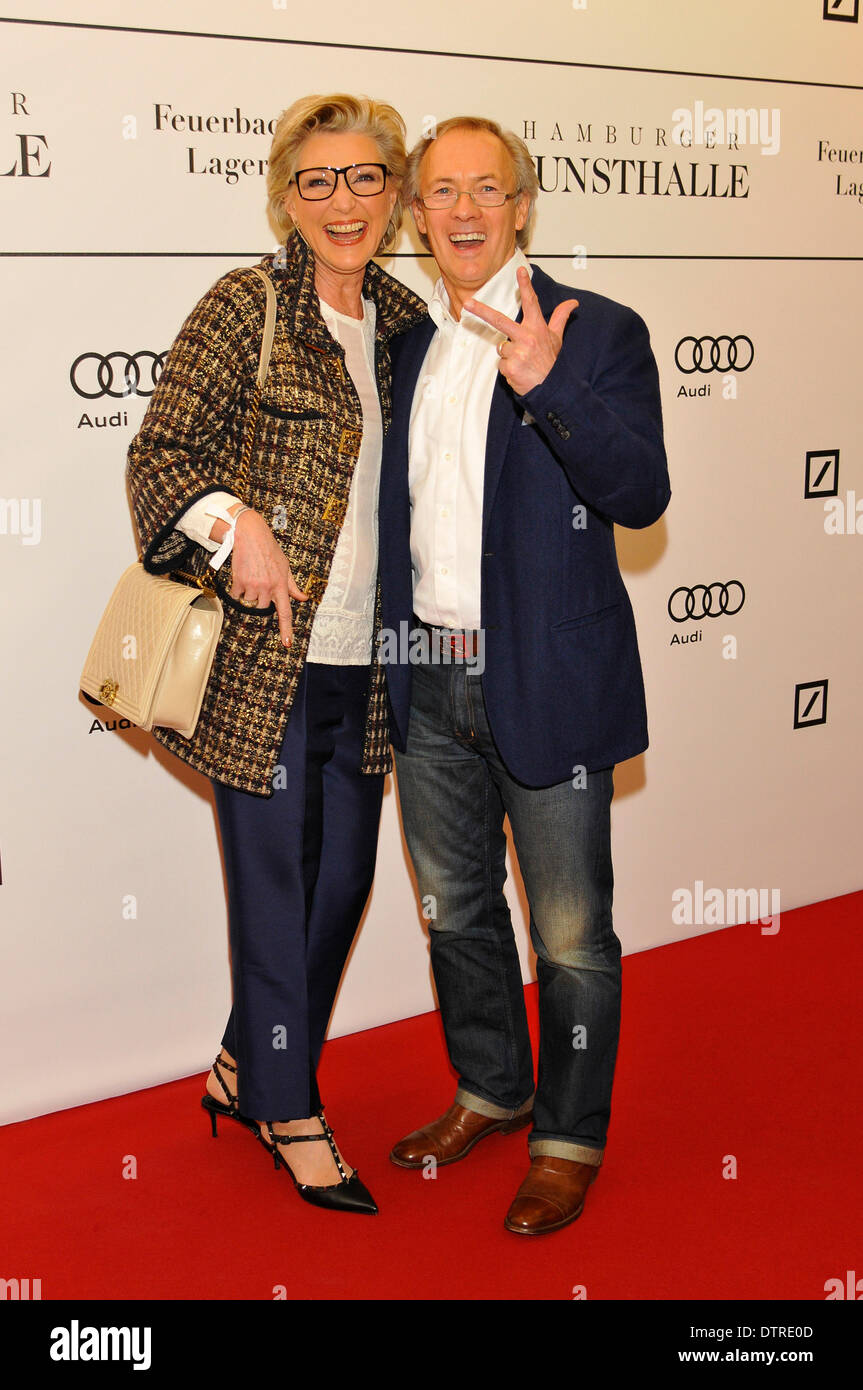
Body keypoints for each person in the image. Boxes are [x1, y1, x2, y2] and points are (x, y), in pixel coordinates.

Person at [126, 93, 426, 1214]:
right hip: (263, 661)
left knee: (341, 880)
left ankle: (242, 1061)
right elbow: (159, 455)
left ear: (392, 192)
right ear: (283, 194)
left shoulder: (406, 321)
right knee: (271, 881)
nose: (340, 202)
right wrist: (231, 521)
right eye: (316, 180)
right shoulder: (244, 305)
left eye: (362, 179)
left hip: (371, 659)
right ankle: (288, 1108)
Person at [378, 116, 670, 1234]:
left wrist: (547, 386)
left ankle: (566, 1136)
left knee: (568, 933)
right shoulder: (405, 347)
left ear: (521, 206)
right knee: (455, 916)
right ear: (413, 214)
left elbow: (640, 494)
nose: (461, 212)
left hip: (547, 674)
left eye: (484, 190)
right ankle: (492, 1088)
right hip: (427, 676)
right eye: (439, 192)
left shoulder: (594, 332)